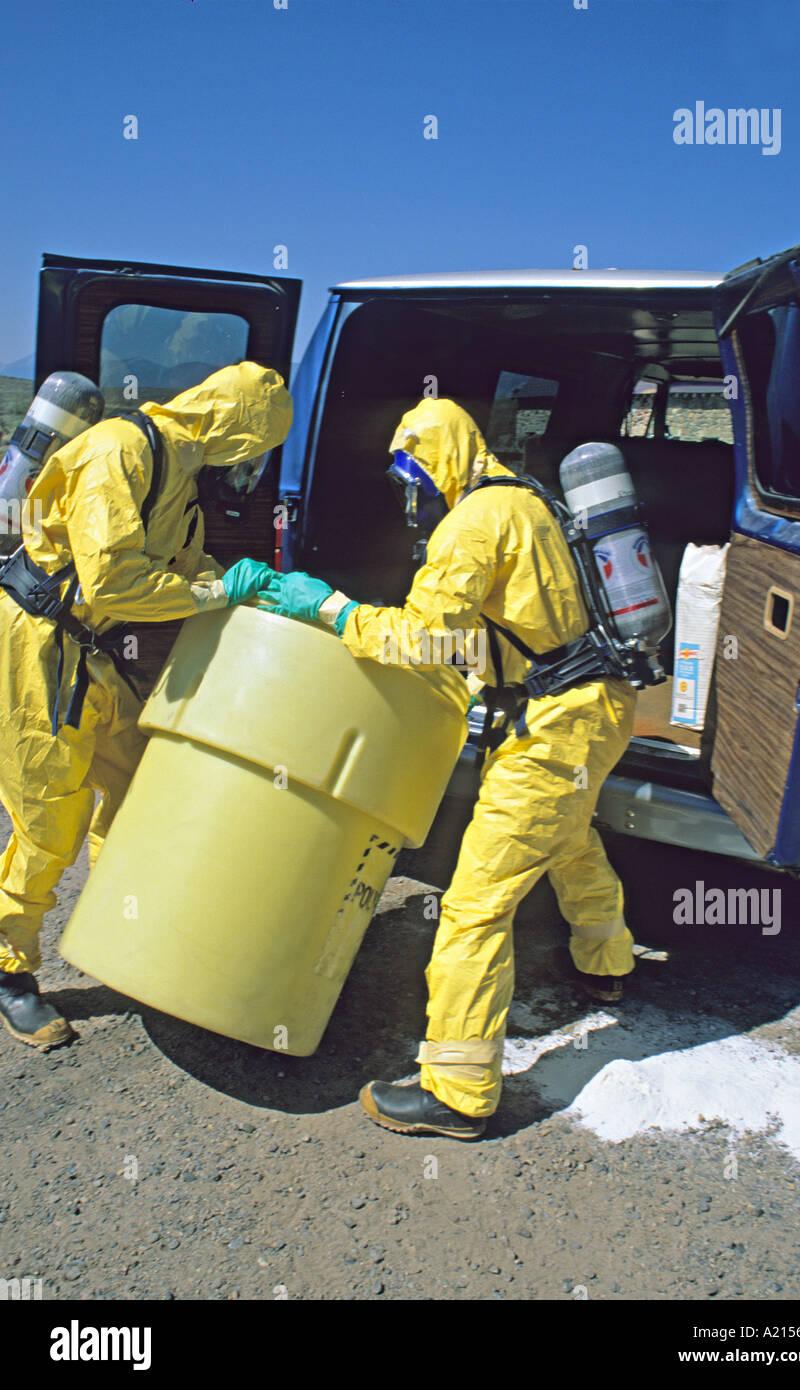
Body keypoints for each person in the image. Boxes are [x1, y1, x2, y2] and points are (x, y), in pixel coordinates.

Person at [253, 397, 636, 1140]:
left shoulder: (471, 524)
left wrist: (330, 608)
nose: (409, 492)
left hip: (554, 724)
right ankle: (606, 957)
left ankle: (458, 1091)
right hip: (592, 706)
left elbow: (426, 640)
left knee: (474, 905)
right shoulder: (525, 497)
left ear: (443, 458)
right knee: (568, 836)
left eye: (412, 472)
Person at [0, 361, 293, 1049]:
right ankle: (11, 972)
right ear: (231, 426)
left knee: (141, 794)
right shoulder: (120, 452)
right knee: (49, 820)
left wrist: (262, 592)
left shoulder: (179, 476)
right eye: (252, 449)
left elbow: (183, 570)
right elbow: (111, 581)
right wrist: (220, 595)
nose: (249, 467)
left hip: (91, 651)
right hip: (39, 645)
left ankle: (122, 940)